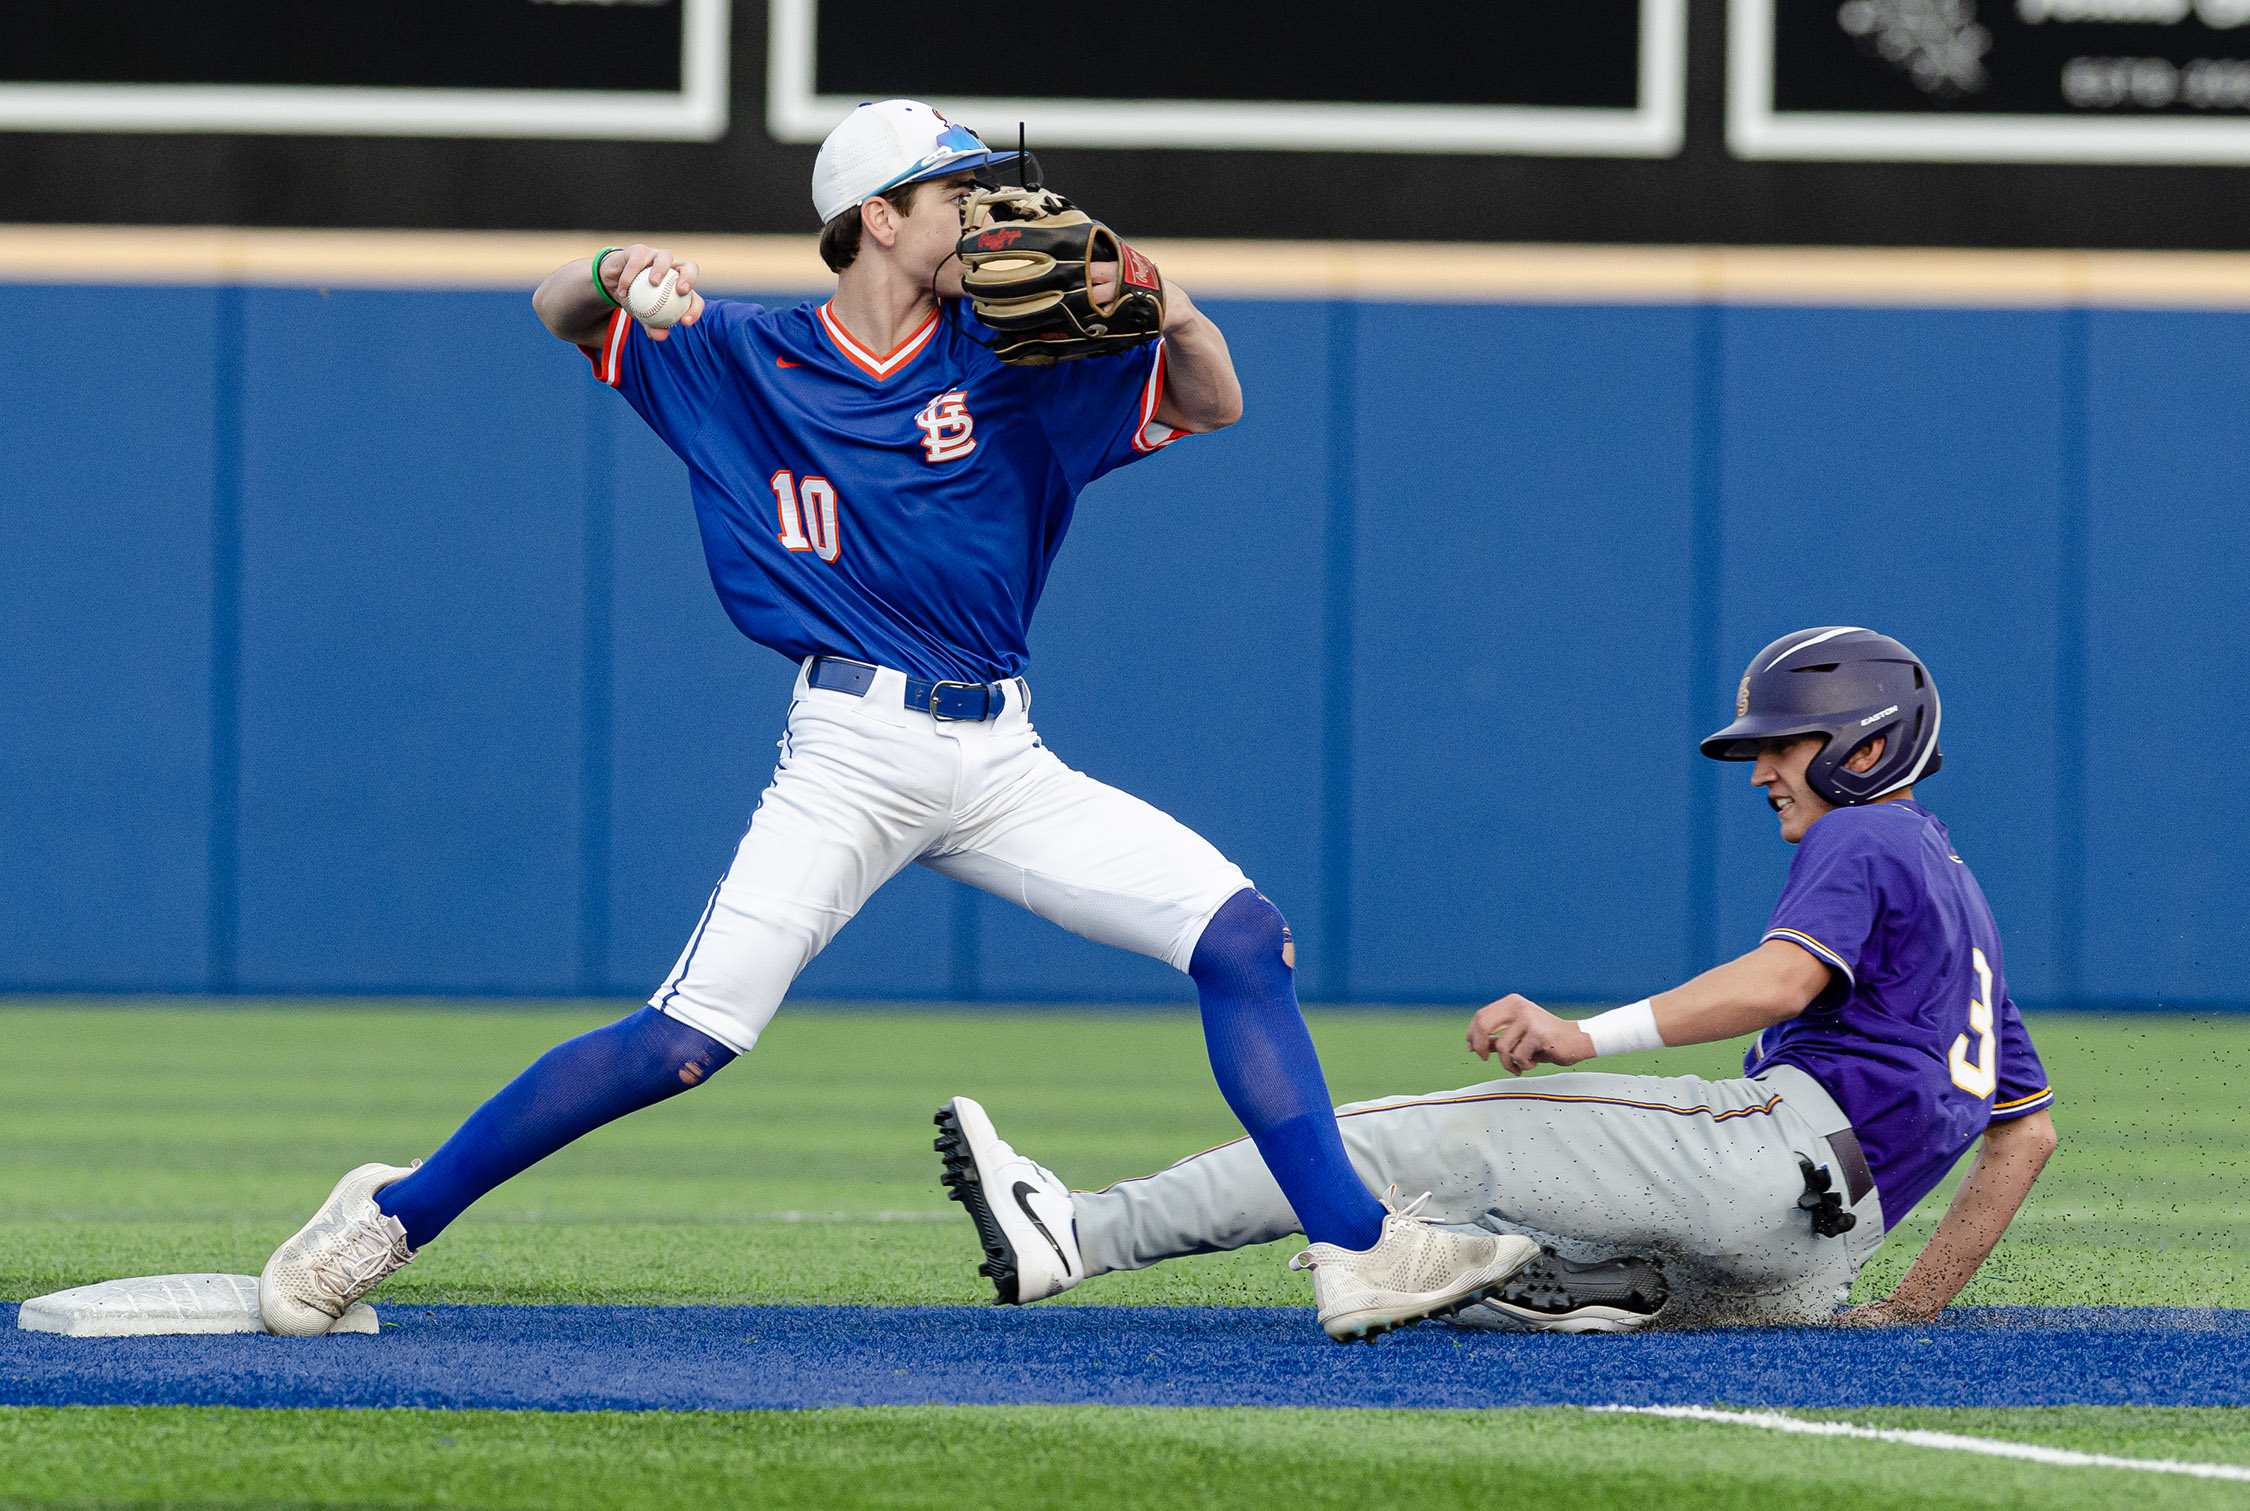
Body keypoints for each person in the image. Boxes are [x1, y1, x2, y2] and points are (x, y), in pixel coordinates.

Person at [255, 100, 1525, 1344]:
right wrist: (610, 266)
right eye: (955, 194)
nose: (987, 213)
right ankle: (390, 1214)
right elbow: (559, 310)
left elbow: (1212, 399)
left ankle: (1358, 1251)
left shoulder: (1018, 359)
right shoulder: (740, 353)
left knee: (1242, 936)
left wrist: (1170, 299)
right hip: (852, 749)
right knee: (687, 1042)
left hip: (1004, 757)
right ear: (877, 217)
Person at [937, 628, 2059, 1330]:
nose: (1764, 765)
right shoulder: (1967, 910)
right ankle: (1591, 1283)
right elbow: (2025, 1134)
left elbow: (1776, 983)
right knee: (1458, 1242)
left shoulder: (1863, 839)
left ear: (1866, 746)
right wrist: (1913, 1306)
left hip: (1769, 1149)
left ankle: (1076, 1231)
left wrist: (1583, 1034)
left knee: (1378, 1143)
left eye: (1790, 739)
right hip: (1808, 1261)